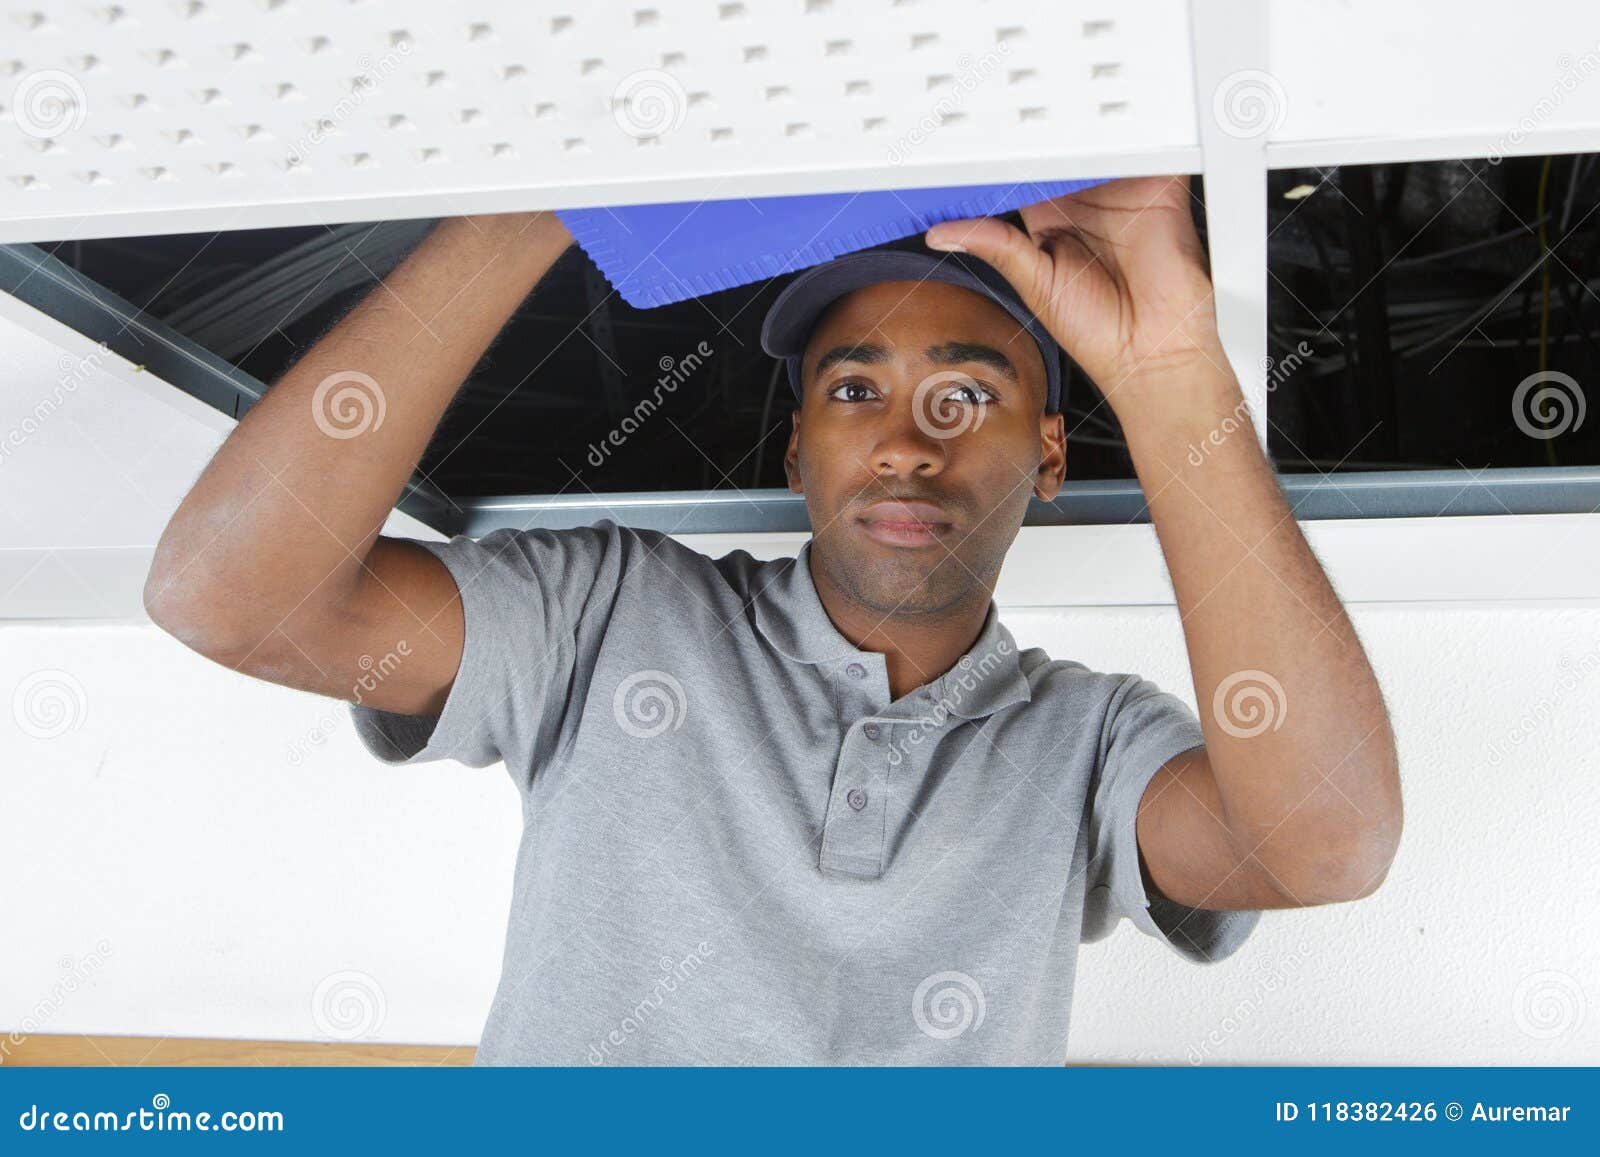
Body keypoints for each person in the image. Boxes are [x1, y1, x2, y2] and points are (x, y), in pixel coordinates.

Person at [143, 175, 1402, 1065]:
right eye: (855, 389)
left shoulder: (1090, 742)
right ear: (797, 448)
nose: (907, 442)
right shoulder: (607, 614)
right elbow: (227, 599)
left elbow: (1326, 848)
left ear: (1053, 455)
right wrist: (536, 205)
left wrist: (1169, 373)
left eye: (968, 394)